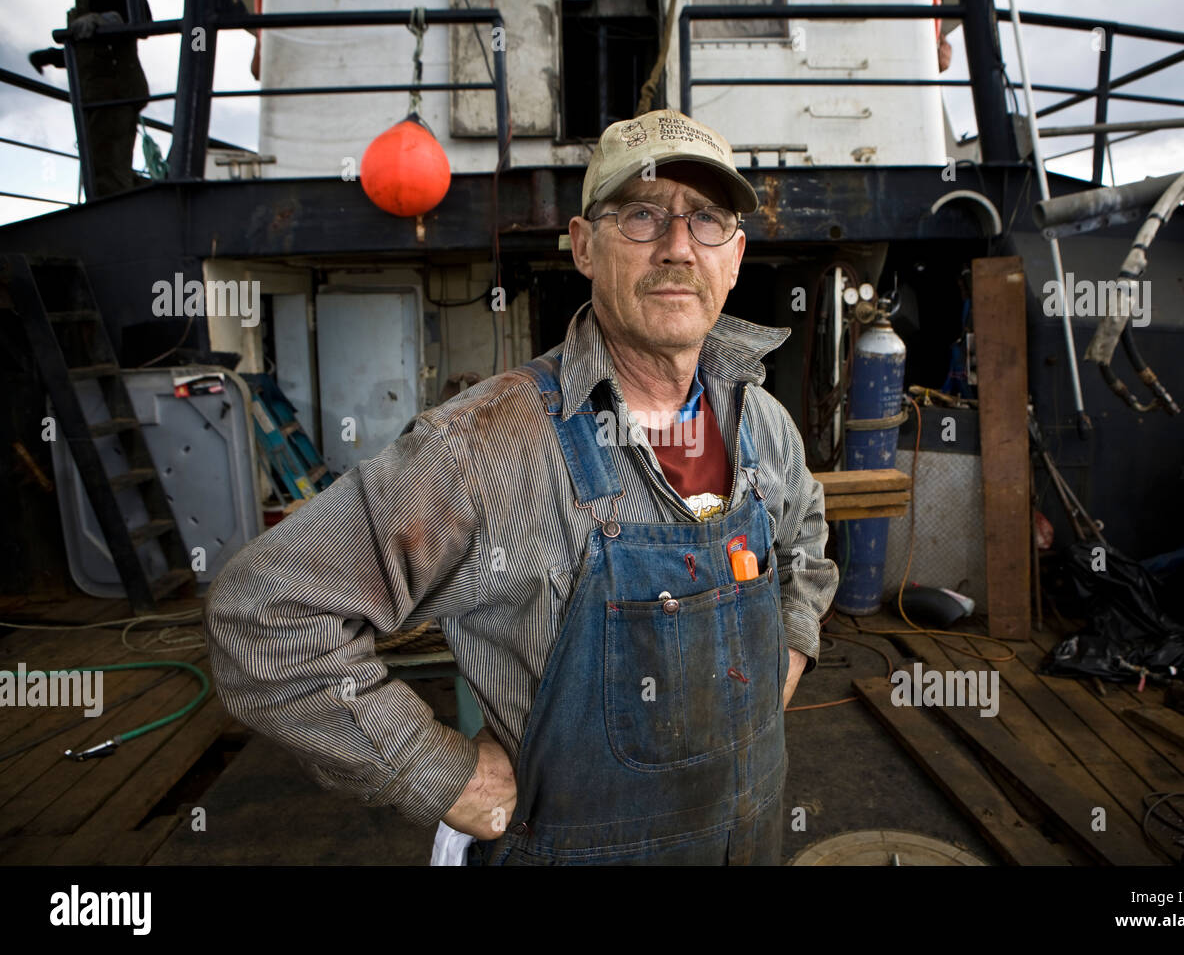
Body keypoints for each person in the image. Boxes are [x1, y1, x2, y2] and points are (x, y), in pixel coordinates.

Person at [203, 108, 838, 866]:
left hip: (749, 839)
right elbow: (264, 614)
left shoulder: (763, 423)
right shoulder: (483, 449)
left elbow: (805, 542)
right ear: (582, 246)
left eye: (706, 221)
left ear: (733, 257)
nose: (676, 247)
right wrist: (443, 774)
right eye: (641, 215)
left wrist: (792, 650)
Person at [28, 0, 152, 198]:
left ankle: (125, 217)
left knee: (106, 178)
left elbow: (142, 19)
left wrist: (107, 20)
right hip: (96, 97)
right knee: (101, 170)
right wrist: (51, 57)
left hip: (114, 95)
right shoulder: (83, 6)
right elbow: (87, 52)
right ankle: (150, 199)